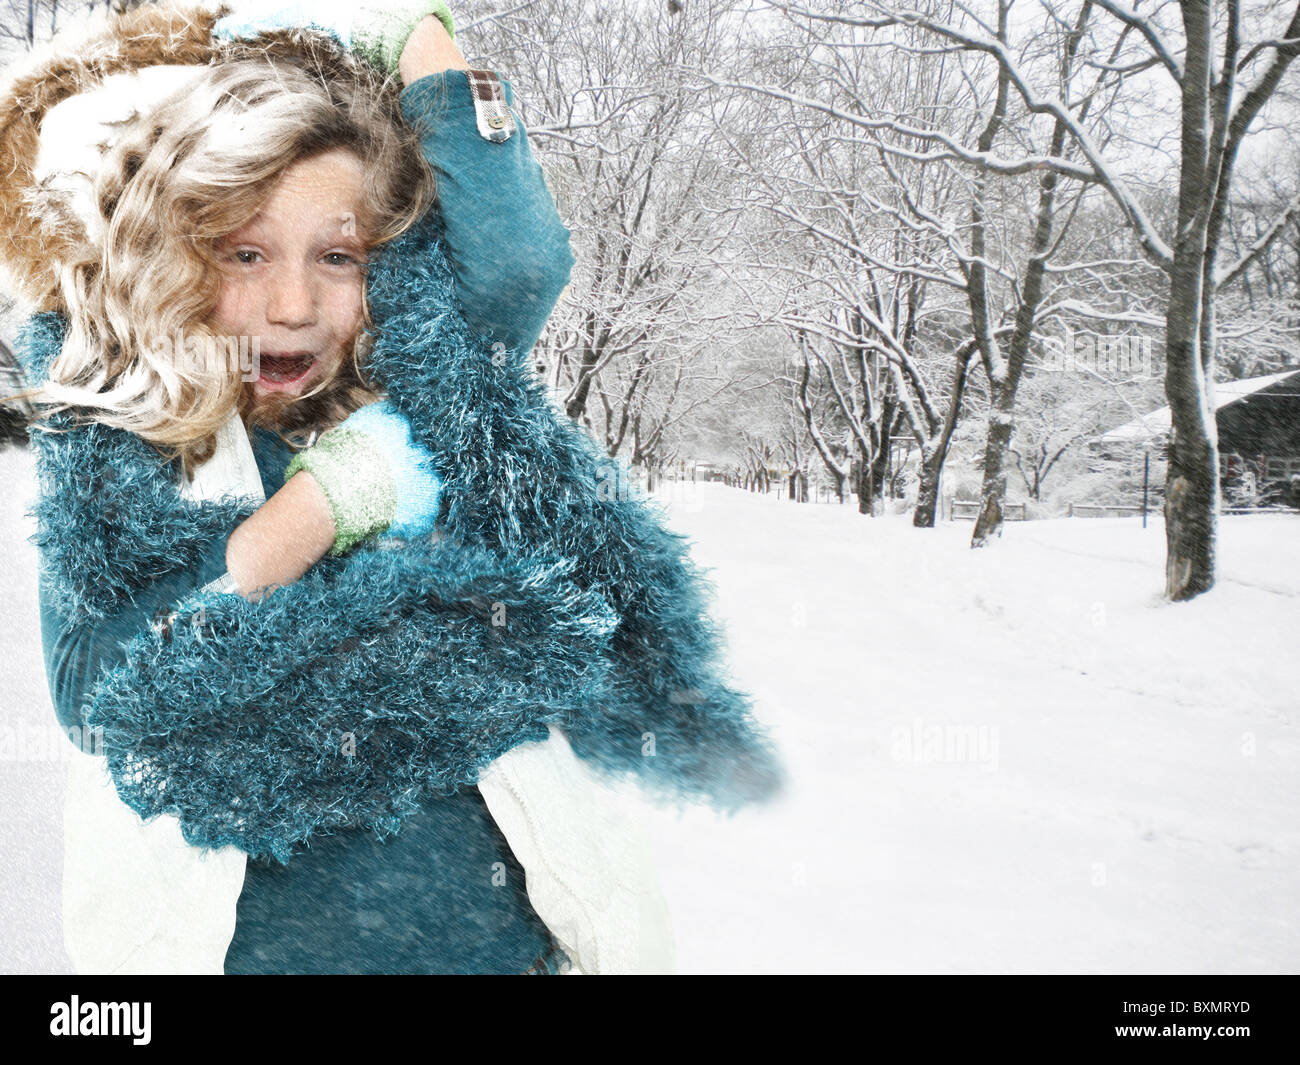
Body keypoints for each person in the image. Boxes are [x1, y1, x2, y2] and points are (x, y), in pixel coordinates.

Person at [2, 1, 669, 974]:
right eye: (245, 251)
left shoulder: (415, 385)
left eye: (338, 255)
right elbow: (102, 691)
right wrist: (321, 506)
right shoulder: (127, 420)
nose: (292, 304)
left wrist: (410, 31)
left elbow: (522, 260)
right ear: (178, 256)